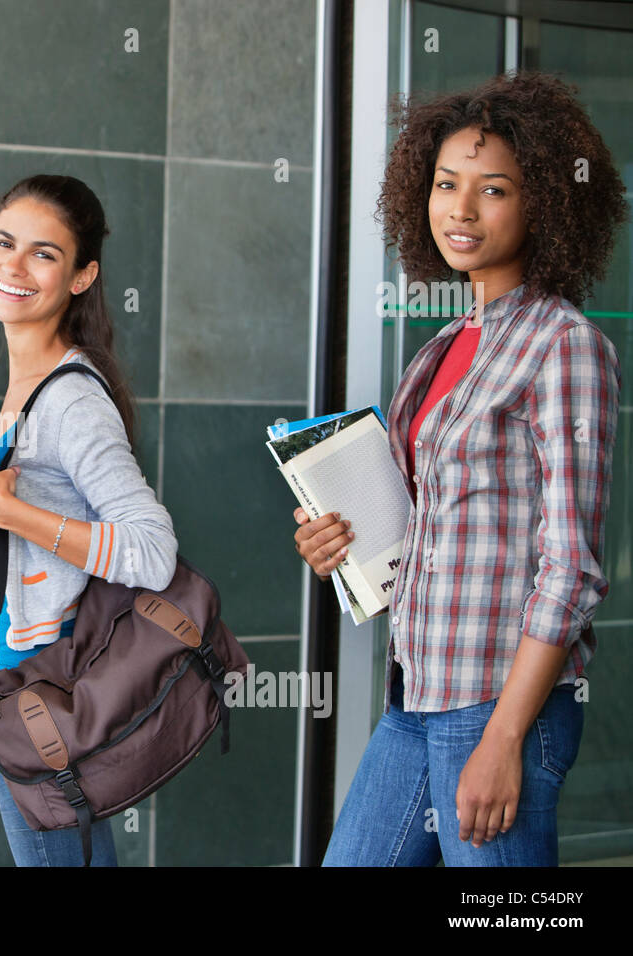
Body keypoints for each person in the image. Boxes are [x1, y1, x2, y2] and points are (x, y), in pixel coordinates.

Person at [294, 73, 624, 866]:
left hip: (501, 707)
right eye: (446, 184)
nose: (461, 209)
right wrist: (336, 542)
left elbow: (572, 568)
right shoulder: (440, 351)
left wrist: (505, 737)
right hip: (416, 696)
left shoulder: (564, 345)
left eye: (494, 189)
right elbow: (424, 526)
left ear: (545, 201)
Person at [0, 174, 178, 867]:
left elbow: (151, 550)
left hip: (50, 689)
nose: (12, 267)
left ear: (84, 276)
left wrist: (7, 509)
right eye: (4, 243)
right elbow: (20, 579)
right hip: (17, 684)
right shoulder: (28, 382)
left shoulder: (72, 402)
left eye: (43, 255)